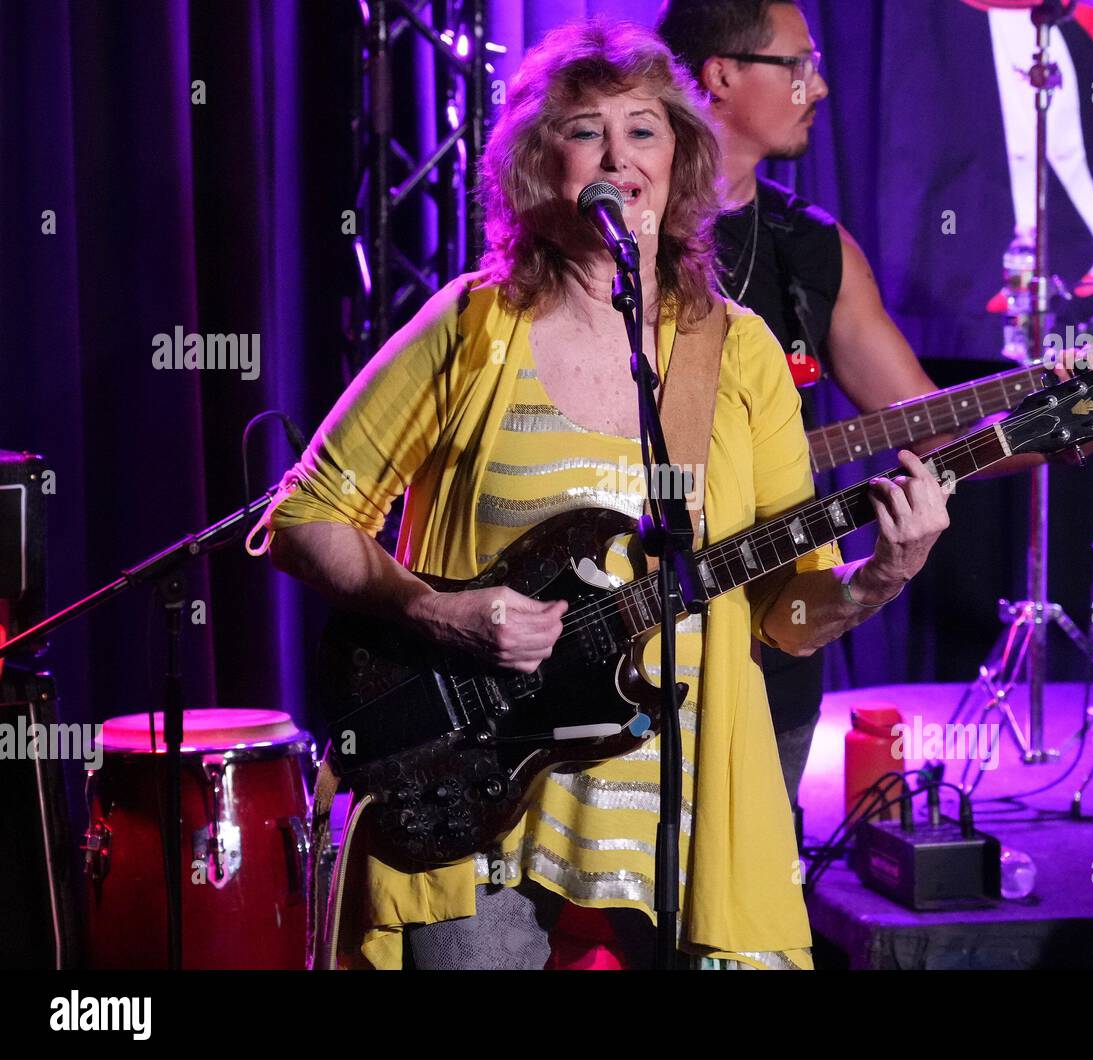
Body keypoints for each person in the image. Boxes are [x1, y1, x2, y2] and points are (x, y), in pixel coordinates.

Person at [262, 18, 949, 970]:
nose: (618, 156)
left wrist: (883, 575)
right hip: (479, 789)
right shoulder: (471, 327)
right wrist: (436, 611)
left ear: (681, 161)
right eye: (586, 129)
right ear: (540, 163)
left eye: (644, 130)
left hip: (686, 804)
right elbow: (304, 515)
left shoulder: (739, 349)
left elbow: (783, 611)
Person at [656, 0, 952, 810]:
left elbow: (928, 419)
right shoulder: (612, 238)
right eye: (797, 66)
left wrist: (1052, 420)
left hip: (770, 618)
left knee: (751, 890)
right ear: (719, 75)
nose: (816, 88)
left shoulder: (813, 246)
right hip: (622, 617)